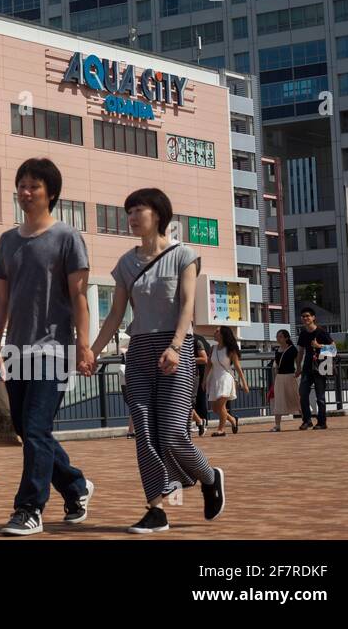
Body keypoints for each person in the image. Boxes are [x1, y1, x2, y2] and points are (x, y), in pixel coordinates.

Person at [91, 188, 224, 534]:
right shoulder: (125, 263)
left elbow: (186, 306)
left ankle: (210, 478)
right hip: (139, 350)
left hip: (173, 348)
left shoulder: (184, 256)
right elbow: (115, 315)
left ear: (158, 214)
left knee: (172, 434)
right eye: (129, 212)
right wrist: (91, 350)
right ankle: (156, 509)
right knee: (145, 433)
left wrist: (177, 346)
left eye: (139, 210)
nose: (132, 218)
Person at [0, 158, 95, 537]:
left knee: (35, 427)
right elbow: (0, 297)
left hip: (54, 349)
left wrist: (84, 346)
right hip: (17, 350)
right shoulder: (8, 240)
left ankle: (29, 508)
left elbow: (79, 296)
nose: (25, 191)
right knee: (26, 428)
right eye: (21, 184)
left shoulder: (67, 237)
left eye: (33, 185)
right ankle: (75, 485)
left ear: (51, 192)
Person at [296, 308, 334, 430]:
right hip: (307, 367)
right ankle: (307, 420)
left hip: (321, 366)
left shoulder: (321, 332)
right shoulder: (303, 333)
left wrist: (319, 346)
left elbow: (334, 349)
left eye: (307, 316)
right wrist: (298, 367)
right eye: (303, 316)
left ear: (313, 317)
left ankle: (322, 422)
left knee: (320, 397)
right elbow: (300, 351)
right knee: (303, 393)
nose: (305, 318)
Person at [207, 326, 248, 437]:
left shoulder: (230, 349)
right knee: (215, 408)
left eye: (217, 331)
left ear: (223, 334)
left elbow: (238, 367)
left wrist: (244, 383)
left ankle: (221, 429)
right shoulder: (213, 348)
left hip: (226, 378)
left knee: (220, 406)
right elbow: (208, 365)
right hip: (215, 378)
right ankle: (232, 419)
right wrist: (205, 380)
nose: (214, 333)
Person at [270, 329, 301, 432]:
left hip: (290, 376)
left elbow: (298, 363)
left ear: (286, 338)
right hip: (280, 377)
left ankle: (305, 420)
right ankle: (277, 425)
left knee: (296, 398)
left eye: (280, 336)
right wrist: (275, 380)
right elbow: (276, 366)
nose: (278, 338)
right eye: (277, 336)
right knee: (278, 401)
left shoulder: (292, 349)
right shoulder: (277, 350)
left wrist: (298, 371)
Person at [191, 331, 211, 437]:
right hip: (177, 375)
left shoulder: (196, 340)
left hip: (193, 376)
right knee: (182, 402)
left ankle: (200, 421)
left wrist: (187, 360)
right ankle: (199, 421)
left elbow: (204, 359)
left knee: (187, 403)